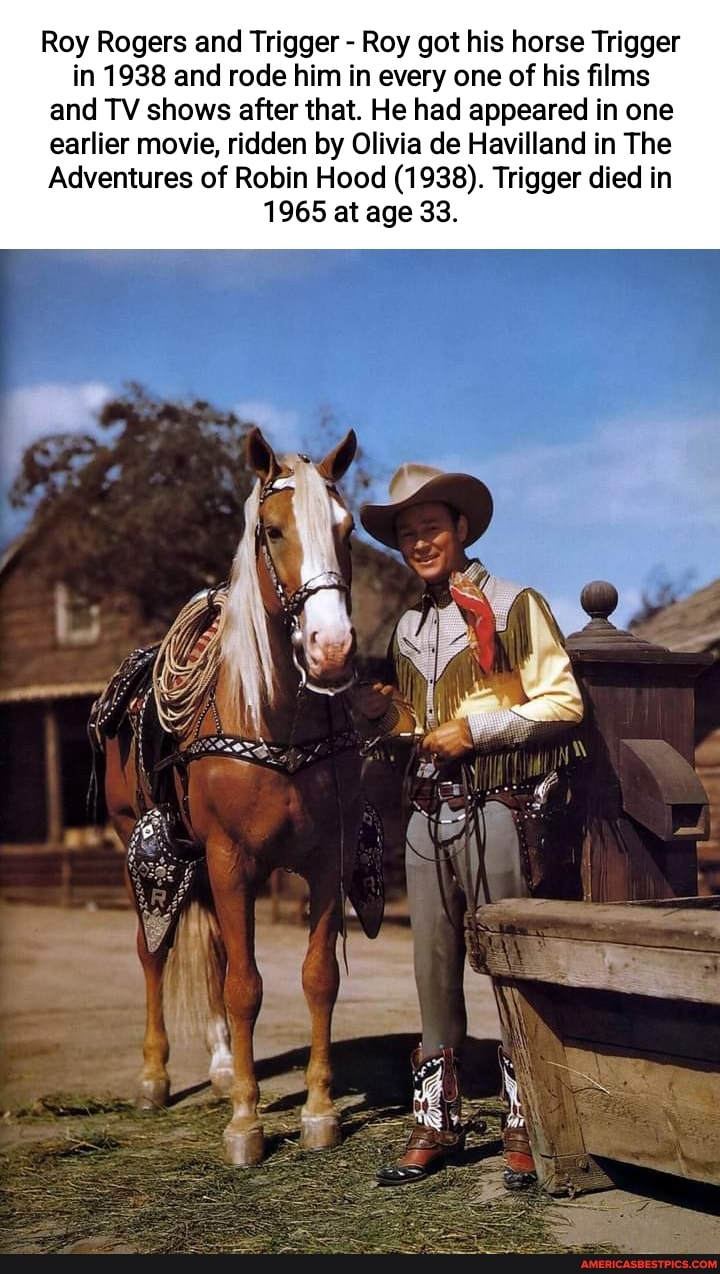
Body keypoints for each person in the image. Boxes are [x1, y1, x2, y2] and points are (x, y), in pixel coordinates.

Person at [353, 462, 586, 1189]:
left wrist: (475, 731)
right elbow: (420, 729)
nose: (420, 542)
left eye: (431, 528)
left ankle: (528, 1118)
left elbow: (564, 705)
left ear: (460, 529)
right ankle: (437, 1119)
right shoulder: (407, 626)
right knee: (430, 971)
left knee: (510, 965)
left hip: (501, 808)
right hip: (426, 813)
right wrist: (387, 719)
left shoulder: (516, 606)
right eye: (407, 535)